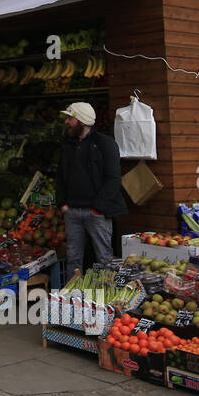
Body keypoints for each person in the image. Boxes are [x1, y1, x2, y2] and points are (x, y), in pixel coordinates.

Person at [56, 101, 126, 282]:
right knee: (73, 258)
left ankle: (106, 297)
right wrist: (62, 203)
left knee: (104, 258)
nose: (67, 122)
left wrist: (98, 207)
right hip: (72, 211)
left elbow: (114, 179)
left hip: (96, 213)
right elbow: (60, 175)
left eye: (70, 118)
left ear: (81, 121)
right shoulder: (68, 144)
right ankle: (73, 297)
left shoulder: (105, 144)